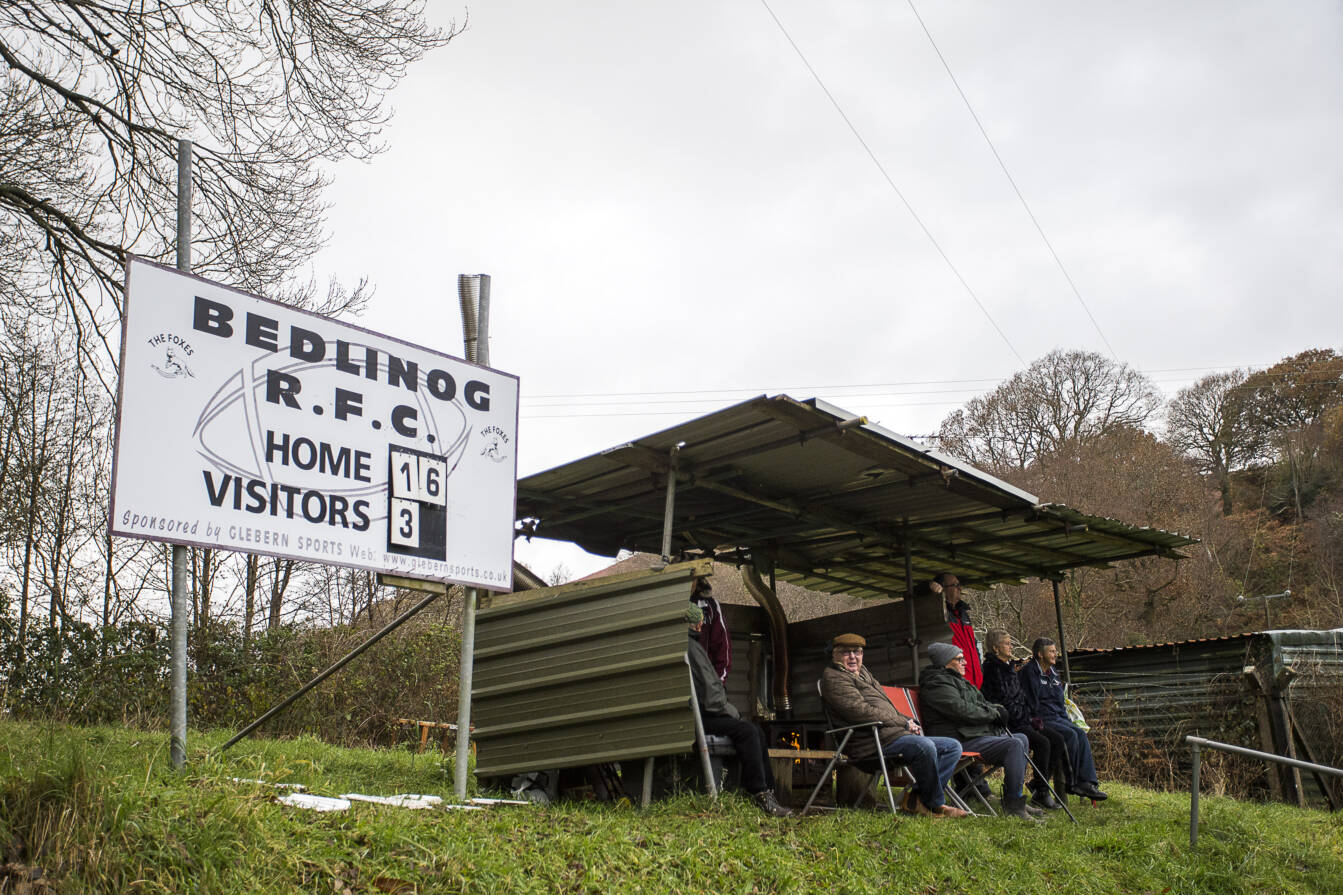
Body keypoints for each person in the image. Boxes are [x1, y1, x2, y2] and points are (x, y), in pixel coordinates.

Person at [819, 632, 968, 818]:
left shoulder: (864, 673)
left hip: (890, 736)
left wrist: (908, 721)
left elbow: (887, 707)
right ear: (834, 655)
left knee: (952, 747)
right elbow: (861, 712)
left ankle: (917, 798)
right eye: (846, 652)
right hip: (868, 743)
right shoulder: (834, 678)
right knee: (925, 746)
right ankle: (935, 804)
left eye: (857, 652)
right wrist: (903, 722)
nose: (852, 657)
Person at [917, 641, 1044, 821]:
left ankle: (1014, 799)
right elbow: (961, 710)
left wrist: (998, 709)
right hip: (956, 739)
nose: (965, 663)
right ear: (945, 662)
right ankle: (1014, 803)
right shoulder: (936, 684)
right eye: (959, 659)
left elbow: (981, 703)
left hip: (969, 734)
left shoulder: (958, 681)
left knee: (1022, 737)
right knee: (1014, 744)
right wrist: (994, 714)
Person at [686, 604, 791, 817]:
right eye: (698, 622)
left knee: (754, 731)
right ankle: (760, 794)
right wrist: (732, 712)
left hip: (697, 713)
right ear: (693, 624)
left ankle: (768, 792)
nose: (700, 625)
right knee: (748, 731)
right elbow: (712, 695)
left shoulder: (689, 646)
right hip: (696, 717)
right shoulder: (691, 648)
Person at [980, 628, 1064, 809]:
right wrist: (1022, 718)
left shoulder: (1009, 668)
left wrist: (1031, 717)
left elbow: (1021, 697)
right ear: (996, 648)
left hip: (1023, 719)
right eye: (1007, 643)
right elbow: (1002, 701)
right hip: (1008, 723)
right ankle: (1042, 792)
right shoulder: (992, 670)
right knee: (1042, 743)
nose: (1011, 647)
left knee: (1057, 739)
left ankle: (1037, 786)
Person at [1019, 637, 1108, 801]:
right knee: (1070, 735)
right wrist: (1038, 721)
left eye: (1055, 651)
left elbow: (1059, 701)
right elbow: (1031, 703)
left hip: (1058, 716)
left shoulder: (1053, 673)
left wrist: (1066, 718)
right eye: (1051, 651)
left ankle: (1089, 782)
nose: (1055, 654)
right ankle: (1073, 783)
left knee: (1080, 733)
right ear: (1040, 654)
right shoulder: (1029, 672)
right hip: (1041, 718)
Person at [929, 573, 982, 688]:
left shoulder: (963, 614)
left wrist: (980, 671)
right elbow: (918, 592)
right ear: (942, 589)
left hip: (975, 684)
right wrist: (930, 589)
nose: (960, 588)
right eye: (955, 585)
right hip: (957, 684)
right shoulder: (938, 611)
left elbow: (974, 646)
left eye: (959, 585)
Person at [691, 577, 732, 682]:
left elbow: (722, 648)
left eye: (692, 576)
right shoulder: (665, 603)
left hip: (701, 686)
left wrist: (716, 685)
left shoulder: (709, 606)